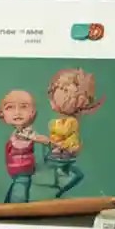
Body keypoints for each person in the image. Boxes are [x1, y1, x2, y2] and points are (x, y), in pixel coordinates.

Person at [46, 68, 103, 197]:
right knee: (59, 163)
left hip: (67, 148)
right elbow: (55, 134)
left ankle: (64, 180)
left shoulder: (71, 121)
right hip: (60, 148)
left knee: (66, 166)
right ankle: (62, 180)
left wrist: (54, 127)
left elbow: (64, 131)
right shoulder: (60, 120)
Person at [0, 89, 47, 203]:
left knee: (18, 198)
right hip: (15, 175)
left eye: (24, 107)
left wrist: (45, 140)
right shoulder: (15, 134)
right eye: (10, 107)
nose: (17, 112)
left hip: (24, 175)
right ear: (2, 113)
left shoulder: (28, 134)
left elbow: (38, 139)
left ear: (32, 112)